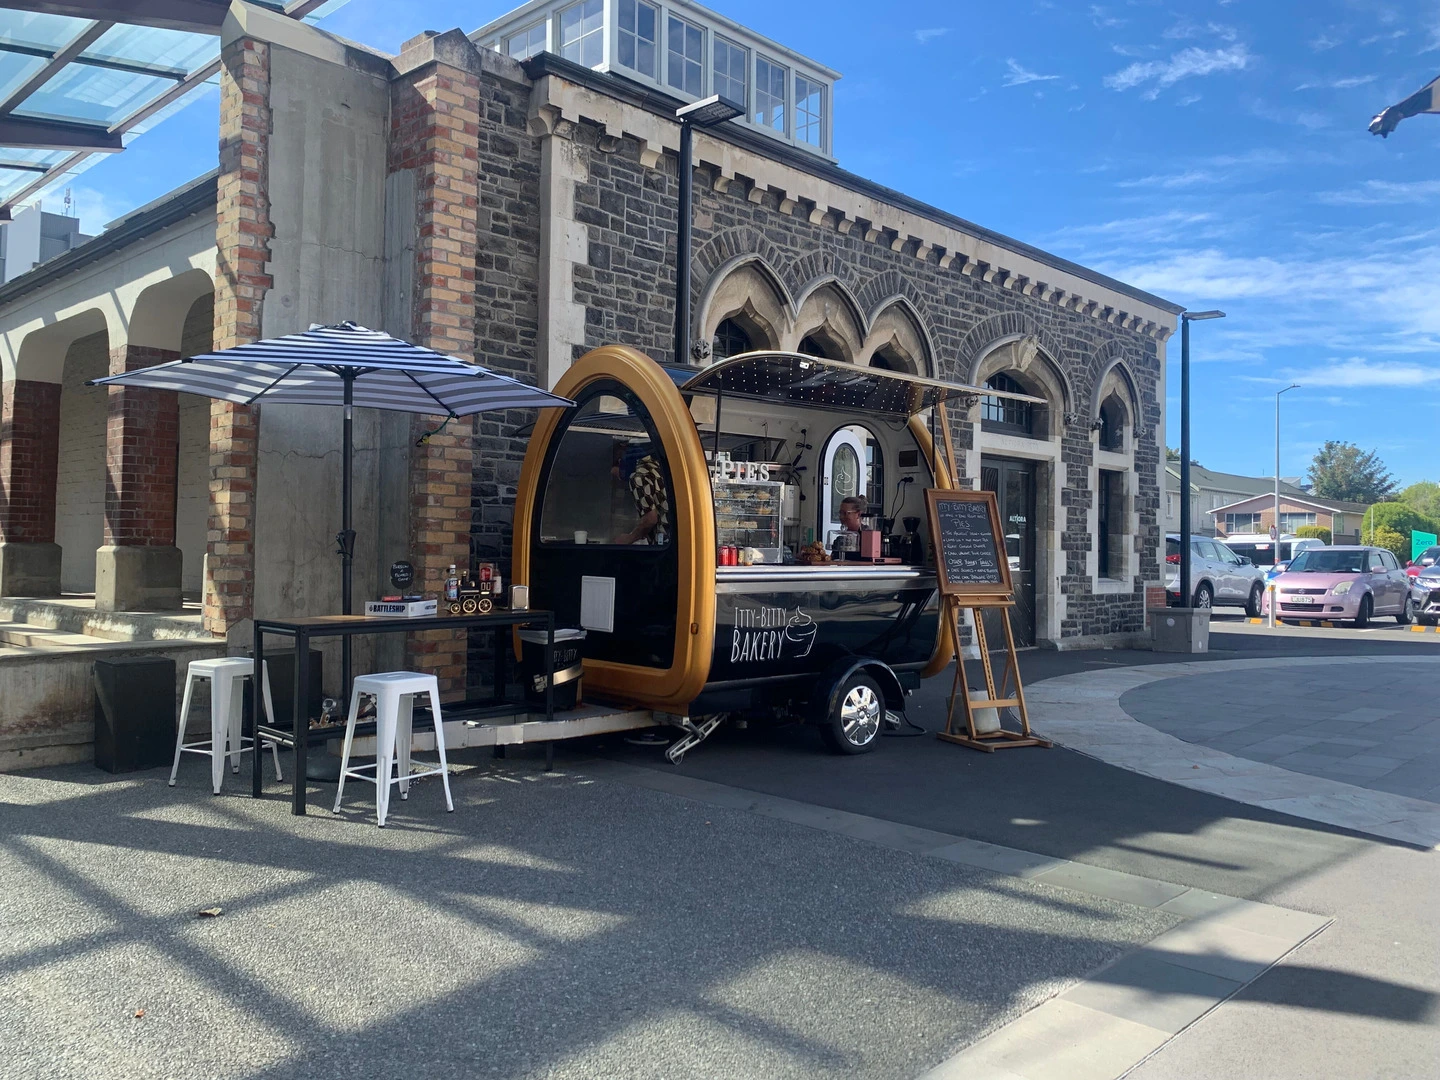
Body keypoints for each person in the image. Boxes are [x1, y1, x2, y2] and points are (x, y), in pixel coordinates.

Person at [614, 449, 671, 546]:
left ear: (620, 463)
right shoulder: (656, 466)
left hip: (663, 542)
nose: (619, 478)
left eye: (616, 474)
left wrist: (629, 538)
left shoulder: (638, 477)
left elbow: (650, 519)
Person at [831, 495, 867, 559]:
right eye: (840, 513)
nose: (841, 517)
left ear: (858, 515)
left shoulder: (868, 538)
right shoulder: (840, 539)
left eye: (845, 513)